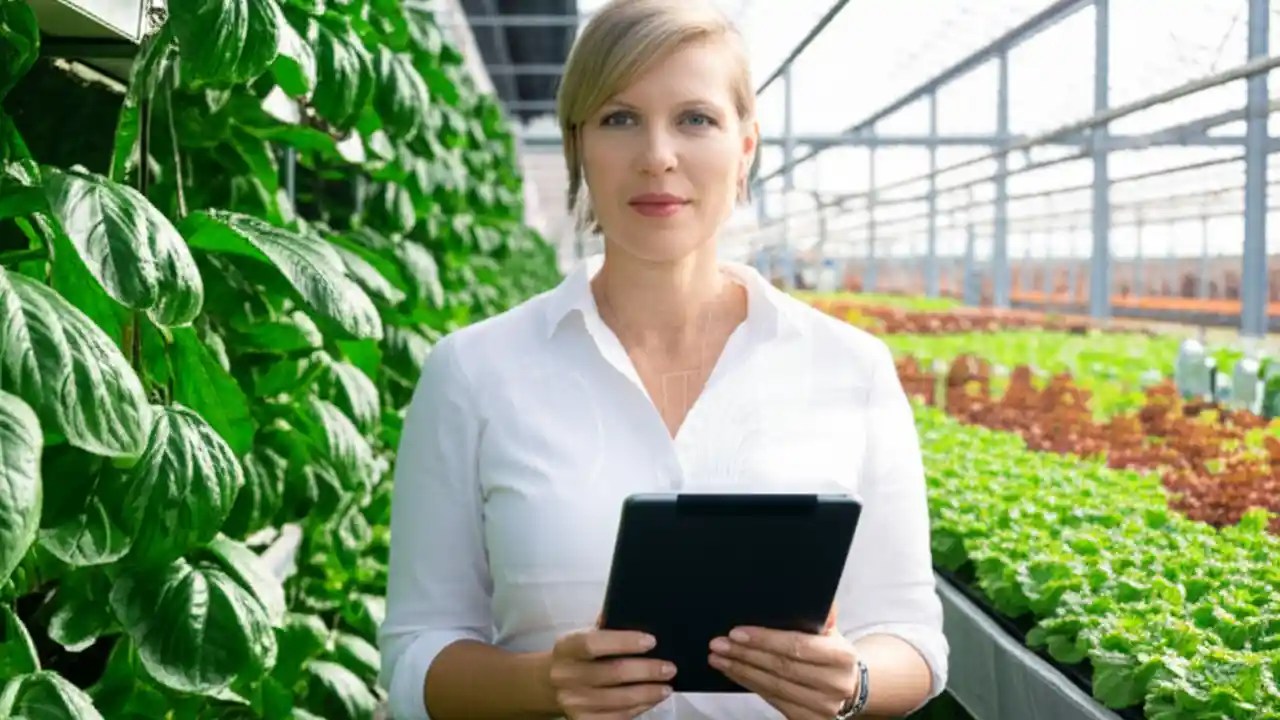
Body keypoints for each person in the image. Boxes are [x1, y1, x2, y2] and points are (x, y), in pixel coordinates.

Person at [377, 1, 949, 718]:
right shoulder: (473, 372)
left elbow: (916, 642)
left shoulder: (850, 369)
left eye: (695, 119)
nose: (657, 155)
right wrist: (542, 686)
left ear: (745, 149)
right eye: (619, 118)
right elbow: (415, 654)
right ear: (577, 145)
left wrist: (853, 682)